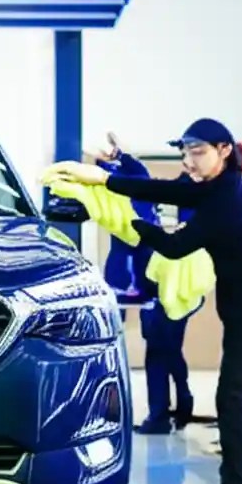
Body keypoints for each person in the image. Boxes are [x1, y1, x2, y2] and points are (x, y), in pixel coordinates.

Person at [45, 118, 242, 484]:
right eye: (185, 153)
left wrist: (121, 220)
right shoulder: (220, 187)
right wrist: (105, 181)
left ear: (223, 150)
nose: (189, 161)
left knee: (235, 399)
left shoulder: (227, 198)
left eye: (197, 152)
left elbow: (175, 245)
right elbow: (167, 189)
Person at [94, 135, 198, 434]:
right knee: (165, 347)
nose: (188, 161)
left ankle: (162, 413)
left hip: (173, 282)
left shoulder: (201, 194)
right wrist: (121, 157)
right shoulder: (172, 189)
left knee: (161, 348)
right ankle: (176, 403)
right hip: (158, 282)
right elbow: (139, 178)